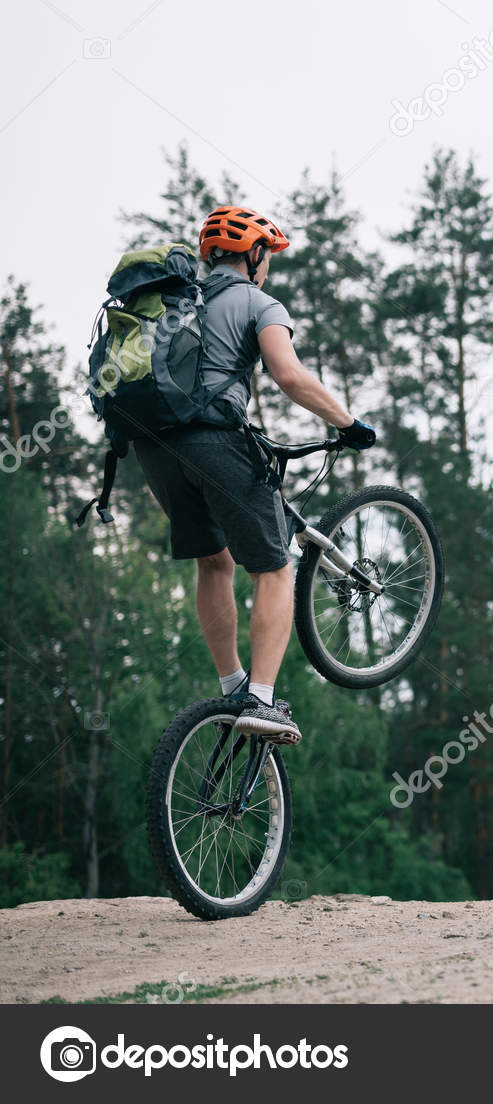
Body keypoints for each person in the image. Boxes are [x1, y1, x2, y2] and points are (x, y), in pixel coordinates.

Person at [131, 205, 376, 745]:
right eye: (269, 256)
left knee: (214, 561)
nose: (269, 267)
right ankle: (261, 700)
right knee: (274, 568)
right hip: (214, 439)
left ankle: (233, 683)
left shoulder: (175, 303)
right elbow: (288, 375)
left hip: (154, 448)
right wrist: (348, 423)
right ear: (255, 254)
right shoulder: (257, 301)